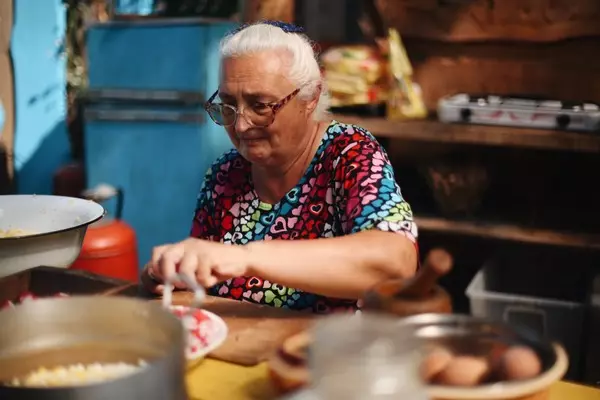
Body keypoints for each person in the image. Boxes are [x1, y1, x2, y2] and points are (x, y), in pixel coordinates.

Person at [141, 21, 418, 313]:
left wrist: (245, 258)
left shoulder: (349, 154)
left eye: (260, 105)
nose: (242, 125)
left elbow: (396, 264)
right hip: (241, 344)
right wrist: (164, 273)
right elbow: (200, 282)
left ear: (310, 97)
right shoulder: (225, 175)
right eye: (228, 104)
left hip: (328, 352)